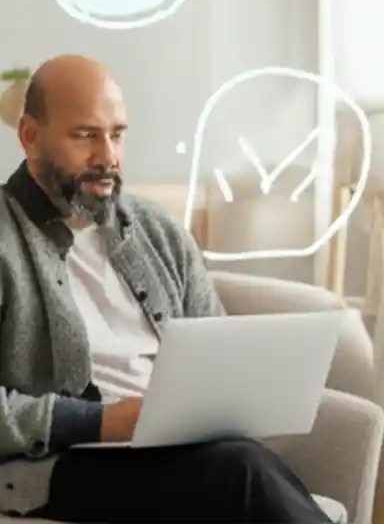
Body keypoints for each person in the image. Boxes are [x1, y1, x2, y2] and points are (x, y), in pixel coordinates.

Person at [0, 56, 334, 522]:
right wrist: (101, 421)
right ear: (31, 137)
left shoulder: (158, 231)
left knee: (248, 468)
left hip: (183, 450)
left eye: (116, 135)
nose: (108, 157)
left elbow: (216, 349)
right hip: (63, 463)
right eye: (84, 135)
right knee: (245, 474)